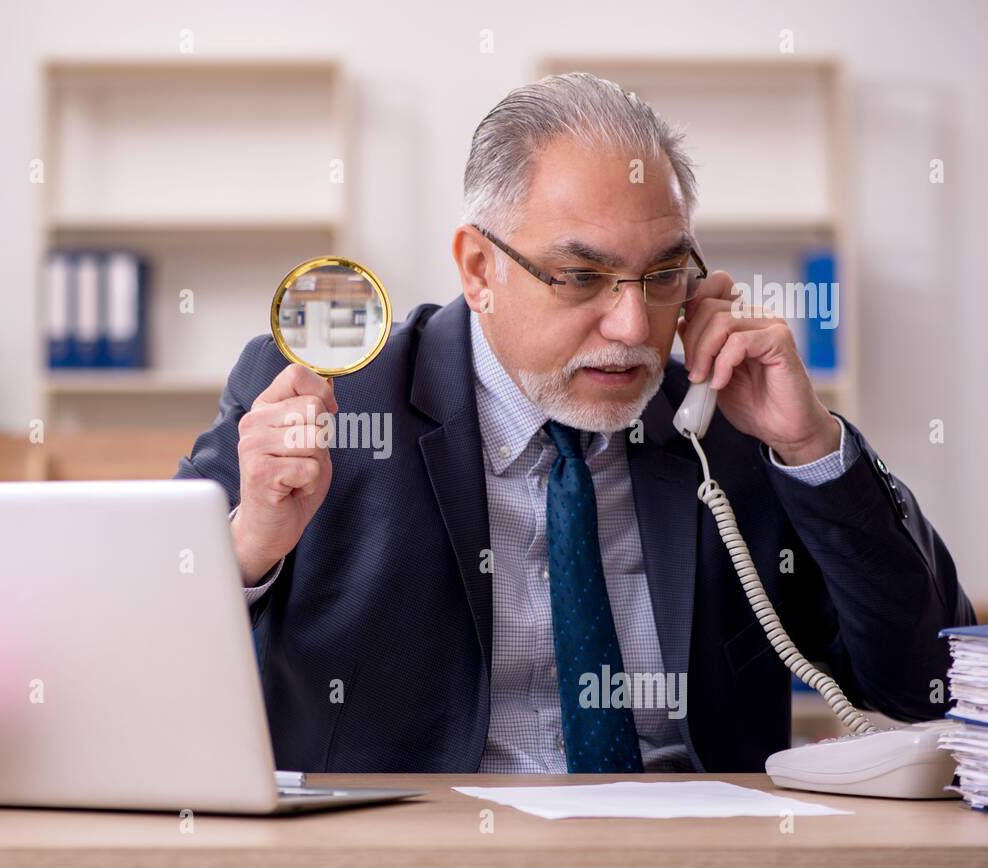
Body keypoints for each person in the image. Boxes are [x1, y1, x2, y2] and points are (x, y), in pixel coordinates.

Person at [176, 73, 973, 773]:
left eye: (663, 274)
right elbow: (143, 655)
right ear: (479, 268)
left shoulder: (726, 421)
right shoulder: (329, 399)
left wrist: (809, 448)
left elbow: (924, 684)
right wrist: (251, 544)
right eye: (582, 276)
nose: (632, 326)